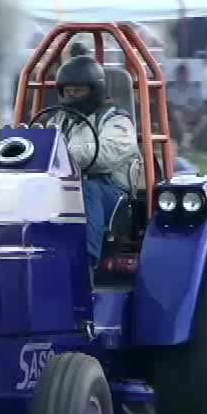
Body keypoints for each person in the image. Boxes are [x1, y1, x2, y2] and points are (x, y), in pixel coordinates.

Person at [41, 55, 140, 263]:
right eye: (67, 91)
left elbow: (105, 155)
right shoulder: (60, 118)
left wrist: (62, 153)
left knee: (86, 188)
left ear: (94, 89)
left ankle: (85, 263)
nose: (72, 96)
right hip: (65, 185)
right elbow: (43, 143)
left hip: (111, 192)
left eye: (78, 91)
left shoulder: (116, 120)